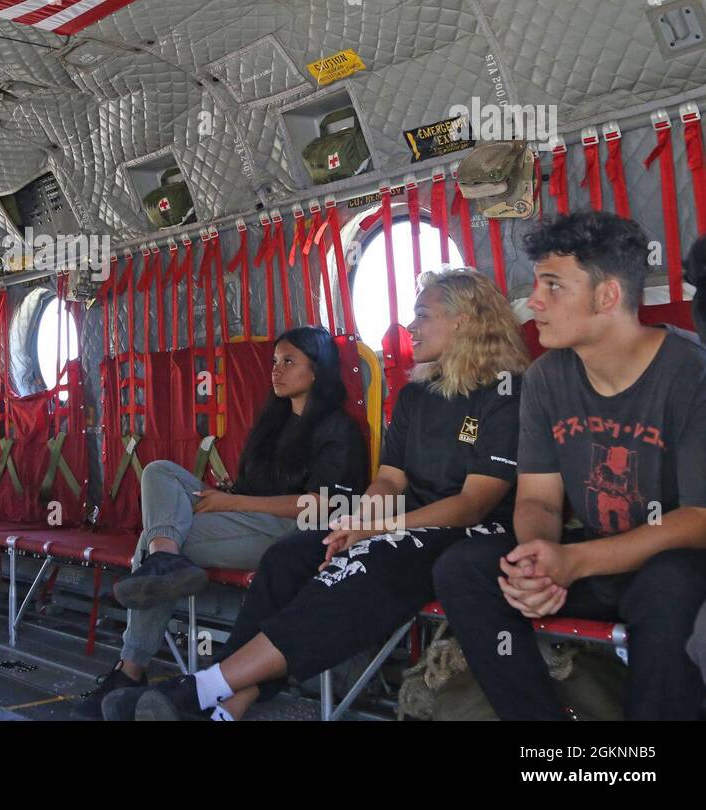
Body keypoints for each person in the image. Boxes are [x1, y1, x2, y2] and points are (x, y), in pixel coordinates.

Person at [110, 267, 529, 721]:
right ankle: (230, 698)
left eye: (422, 315)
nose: (410, 327)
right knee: (289, 557)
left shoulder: (504, 394)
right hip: (400, 520)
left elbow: (474, 503)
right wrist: (353, 526)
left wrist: (375, 528)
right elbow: (389, 481)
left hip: (462, 532)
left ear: (464, 320)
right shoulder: (414, 397)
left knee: (362, 567)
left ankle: (205, 689)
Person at [435, 212, 706, 720]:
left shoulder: (690, 373)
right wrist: (541, 554)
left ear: (606, 297)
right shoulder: (544, 379)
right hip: (590, 560)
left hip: (672, 559)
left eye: (553, 286)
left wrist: (575, 563)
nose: (533, 300)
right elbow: (538, 498)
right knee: (465, 569)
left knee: (673, 583)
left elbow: (699, 518)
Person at [76, 326, 368, 719]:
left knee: (152, 541)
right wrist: (227, 497)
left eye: (288, 362)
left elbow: (322, 506)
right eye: (274, 362)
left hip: (294, 534)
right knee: (159, 471)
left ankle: (130, 669)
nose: (276, 371)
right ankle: (166, 560)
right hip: (246, 519)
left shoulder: (338, 430)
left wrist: (232, 502)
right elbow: (248, 487)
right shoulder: (273, 425)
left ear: (316, 371)